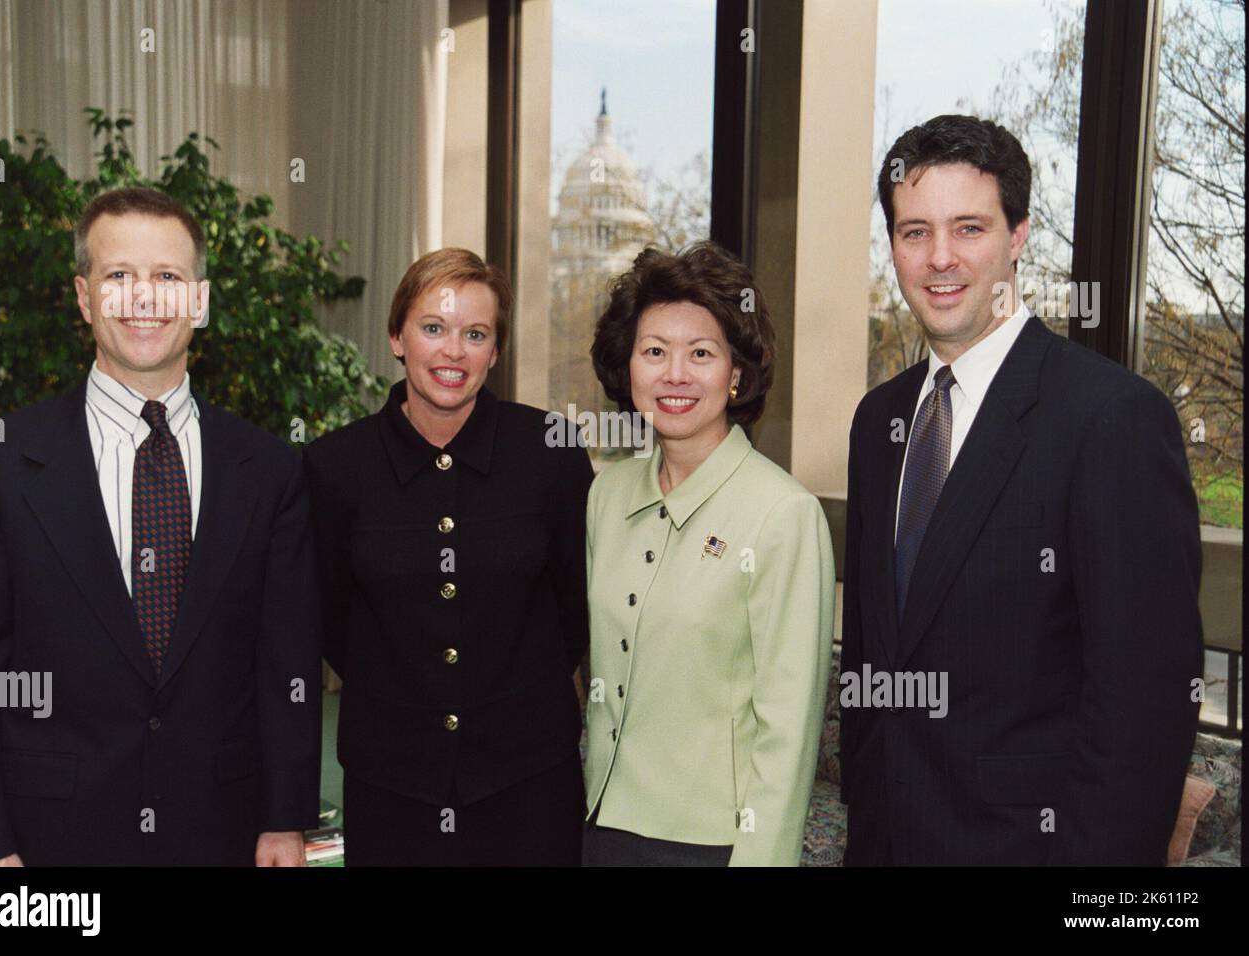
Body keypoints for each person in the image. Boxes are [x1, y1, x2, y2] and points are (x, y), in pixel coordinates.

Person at [840, 114, 1203, 865]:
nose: (940, 258)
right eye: (914, 232)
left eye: (968, 227)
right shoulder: (880, 422)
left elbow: (1144, 710)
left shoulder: (1112, 418)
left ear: (1017, 236)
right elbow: (875, 657)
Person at [0, 186, 322, 866]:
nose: (143, 298)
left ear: (200, 301)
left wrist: (285, 819)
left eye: (168, 278)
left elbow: (285, 662)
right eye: (118, 276)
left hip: (224, 834)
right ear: (85, 297)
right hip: (46, 847)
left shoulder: (268, 469)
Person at [305, 248, 592, 866]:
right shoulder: (334, 466)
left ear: (496, 350)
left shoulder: (551, 452)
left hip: (529, 781)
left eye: (475, 334)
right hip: (392, 783)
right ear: (397, 337)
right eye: (433, 328)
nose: (453, 351)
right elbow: (329, 620)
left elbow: (577, 607)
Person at [583, 241, 835, 866]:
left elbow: (789, 733)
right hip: (601, 826)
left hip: (712, 845)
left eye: (701, 353)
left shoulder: (784, 516)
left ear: (737, 374)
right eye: (654, 352)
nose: (675, 375)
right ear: (628, 367)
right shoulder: (606, 496)